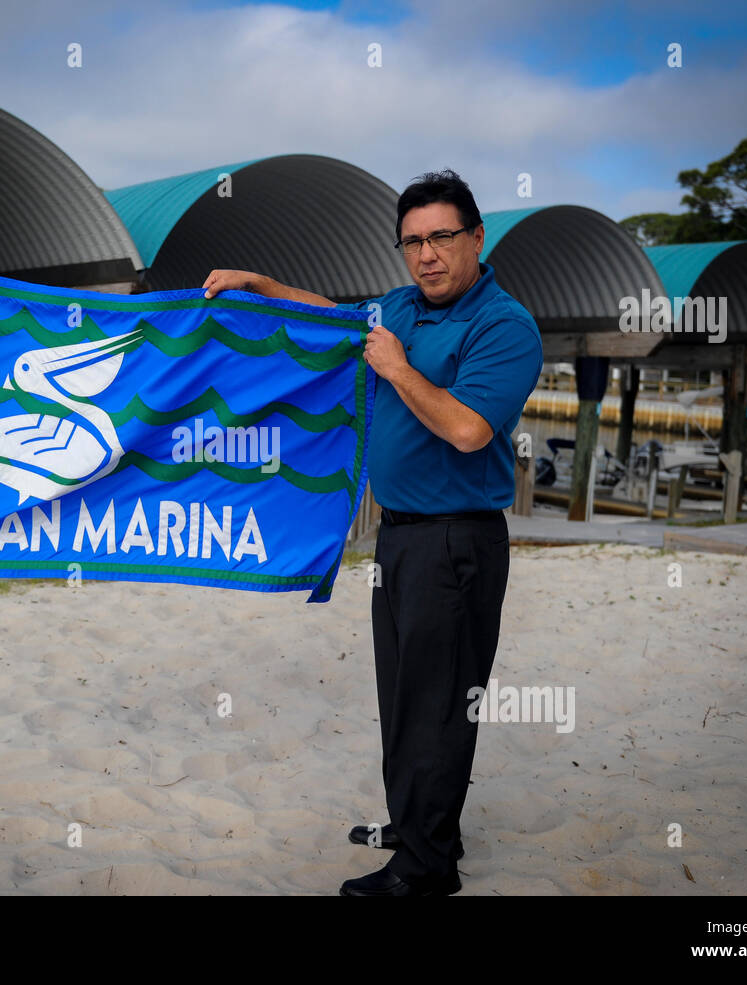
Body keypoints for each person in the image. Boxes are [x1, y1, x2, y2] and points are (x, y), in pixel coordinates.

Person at [203, 170, 543, 896]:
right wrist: (260, 283)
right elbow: (329, 314)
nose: (427, 254)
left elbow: (465, 427)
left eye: (442, 237)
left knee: (439, 702)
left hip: (456, 538)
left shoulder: (504, 324)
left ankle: (425, 868)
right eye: (413, 241)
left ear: (477, 238)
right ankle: (416, 825)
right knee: (403, 695)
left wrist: (394, 367)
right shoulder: (400, 308)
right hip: (399, 538)